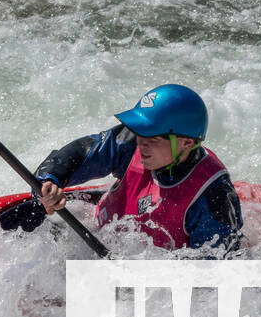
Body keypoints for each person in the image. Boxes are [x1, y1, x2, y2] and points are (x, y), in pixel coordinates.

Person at [35, 84, 245, 257]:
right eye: (139, 133)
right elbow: (82, 152)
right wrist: (49, 181)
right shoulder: (133, 142)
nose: (140, 143)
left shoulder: (212, 196)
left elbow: (211, 274)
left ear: (186, 143)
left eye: (152, 138)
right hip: (97, 230)